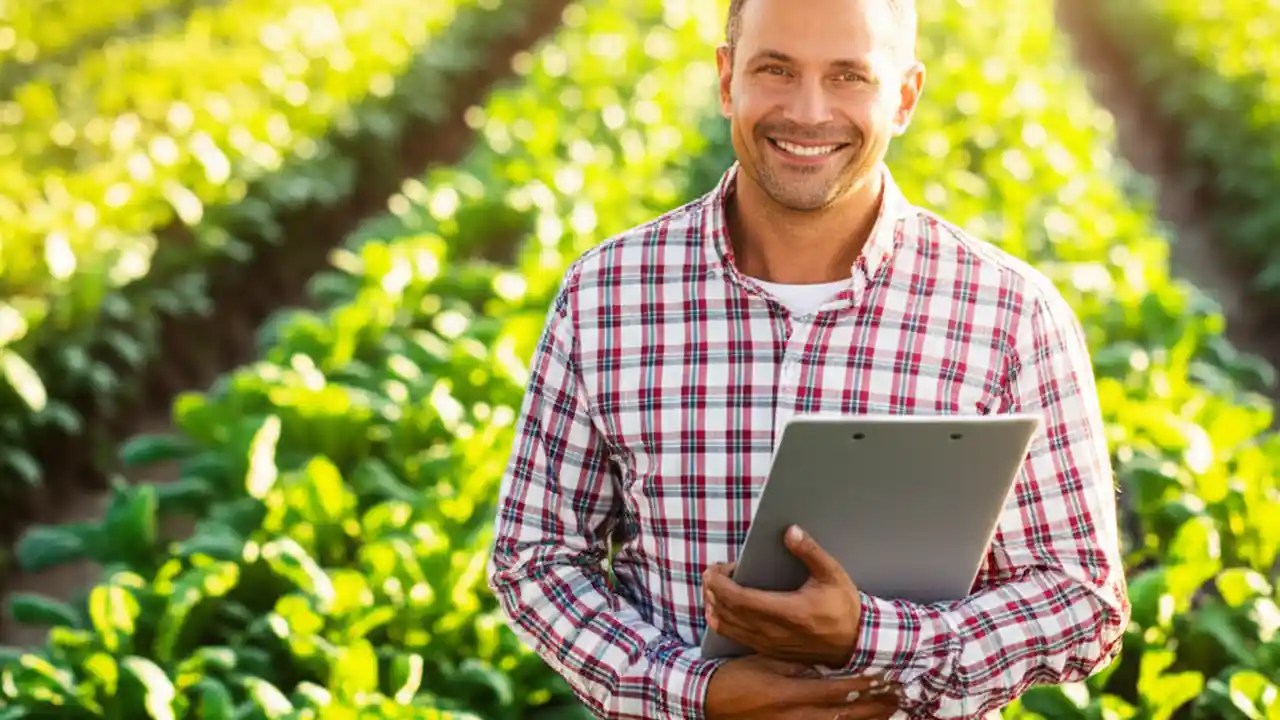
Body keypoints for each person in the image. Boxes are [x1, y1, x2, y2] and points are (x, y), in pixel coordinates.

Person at [486, 0, 1131, 717]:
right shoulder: (607, 293)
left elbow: (1081, 598)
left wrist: (870, 637)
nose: (808, 110)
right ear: (727, 79)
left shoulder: (1010, 312)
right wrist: (693, 692)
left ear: (905, 97)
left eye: (849, 76)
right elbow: (535, 561)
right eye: (776, 69)